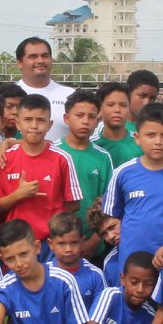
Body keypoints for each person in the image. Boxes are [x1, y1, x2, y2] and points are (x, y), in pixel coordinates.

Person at [101, 103, 163, 268]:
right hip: (131, 261)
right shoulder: (123, 173)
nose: (158, 141)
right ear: (137, 138)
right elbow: (113, 214)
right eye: (151, 135)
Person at [0, 94, 83, 244]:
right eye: (28, 120)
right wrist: (18, 195)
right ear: (17, 123)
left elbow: (73, 204)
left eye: (41, 120)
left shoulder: (62, 158)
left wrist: (50, 221)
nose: (34, 126)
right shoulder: (4, 158)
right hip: (15, 241)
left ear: (49, 124)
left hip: (50, 241)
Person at [57, 89, 114, 240]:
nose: (85, 121)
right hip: (59, 240)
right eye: (79, 115)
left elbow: (107, 201)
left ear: (97, 120)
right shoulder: (54, 152)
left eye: (92, 116)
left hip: (93, 241)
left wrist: (95, 239)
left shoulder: (103, 157)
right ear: (67, 118)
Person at [12, 36, 76, 142]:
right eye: (33, 57)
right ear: (20, 63)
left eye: (45, 56)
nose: (40, 61)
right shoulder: (8, 96)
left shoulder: (69, 95)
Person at [93, 81, 141, 167]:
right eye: (111, 105)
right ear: (99, 109)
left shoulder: (141, 144)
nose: (117, 110)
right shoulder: (92, 145)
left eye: (123, 105)